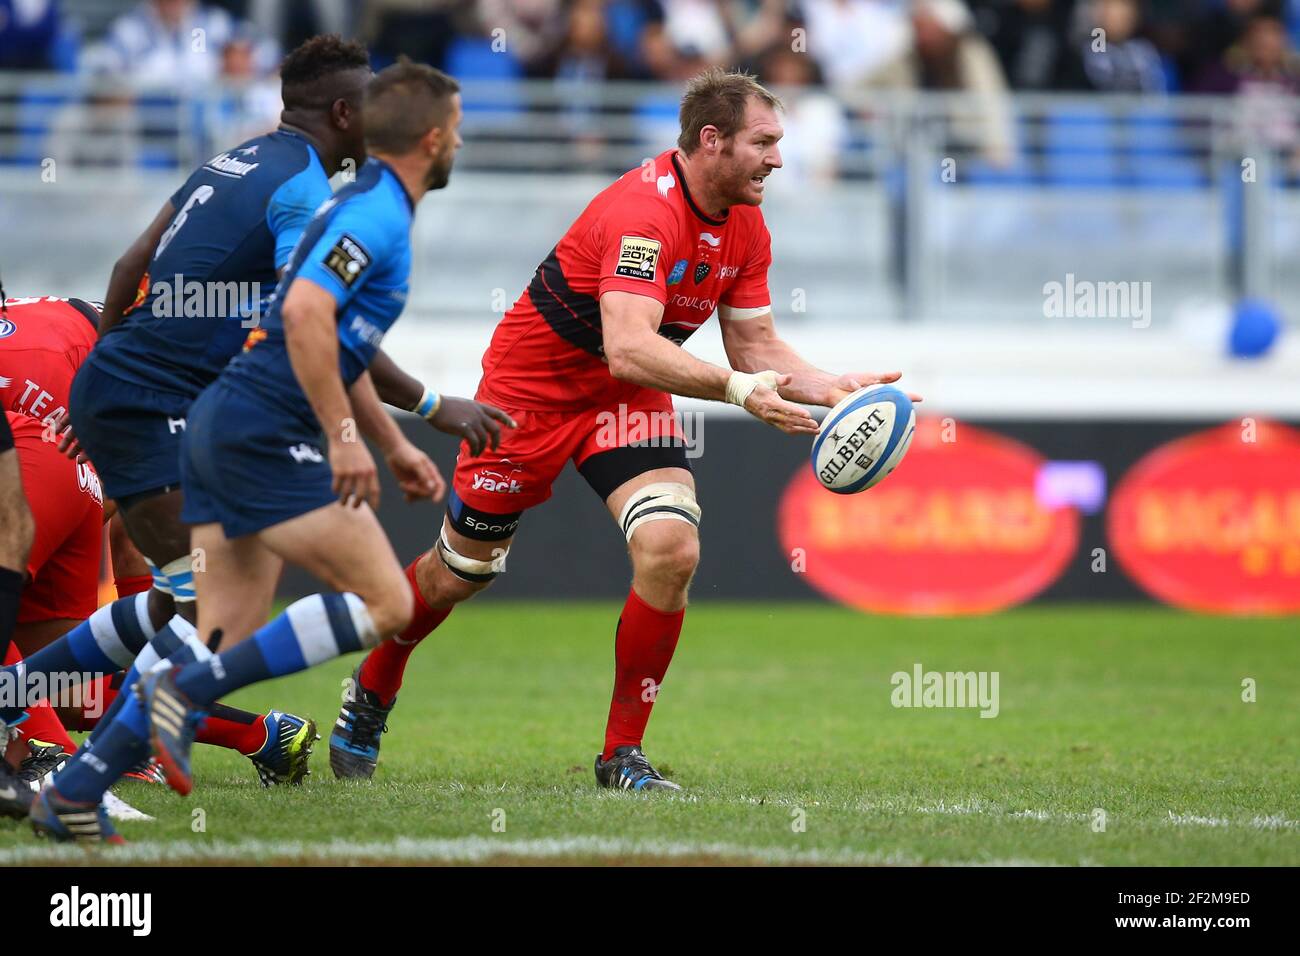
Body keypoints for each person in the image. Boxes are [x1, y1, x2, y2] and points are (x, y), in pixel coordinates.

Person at [328, 68, 919, 792]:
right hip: (531, 396)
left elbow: (756, 348)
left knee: (672, 549)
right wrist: (738, 392)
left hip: (625, 399)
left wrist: (829, 386)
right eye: (763, 141)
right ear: (712, 141)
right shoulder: (644, 213)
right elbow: (630, 344)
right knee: (460, 573)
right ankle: (376, 683)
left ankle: (620, 757)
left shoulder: (747, 223)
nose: (778, 158)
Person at [31, 59, 464, 843]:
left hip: (205, 414)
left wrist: (408, 425)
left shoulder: (330, 193)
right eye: (458, 130)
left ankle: (75, 791)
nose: (460, 143)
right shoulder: (360, 212)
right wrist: (351, 439)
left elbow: (331, 335)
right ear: (432, 139)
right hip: (254, 429)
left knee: (210, 619)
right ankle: (180, 696)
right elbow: (306, 317)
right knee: (386, 603)